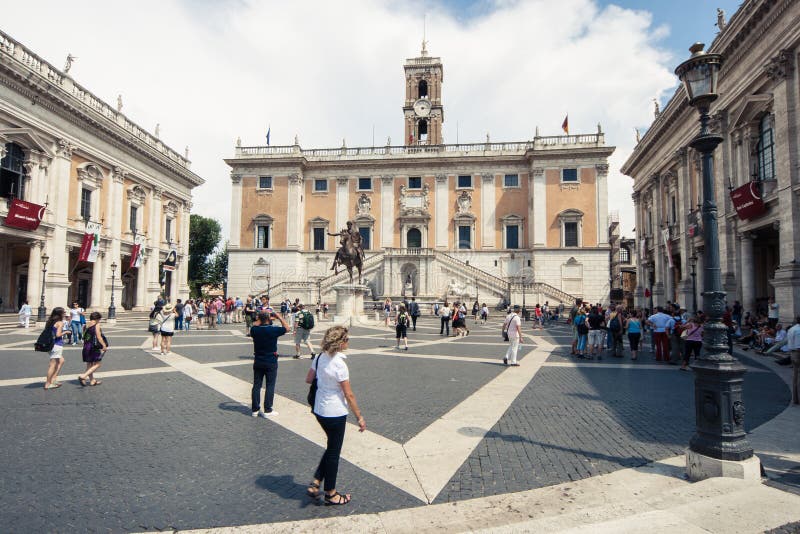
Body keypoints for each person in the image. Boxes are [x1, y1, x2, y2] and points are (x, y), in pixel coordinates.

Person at [305, 326, 366, 505]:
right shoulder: (340, 364)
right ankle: (331, 494)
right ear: (340, 343)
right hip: (335, 412)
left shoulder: (318, 358)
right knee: (334, 452)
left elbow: (309, 379)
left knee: (331, 447)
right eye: (347, 340)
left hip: (319, 410)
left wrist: (324, 380)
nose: (348, 342)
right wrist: (360, 417)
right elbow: (349, 394)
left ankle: (316, 482)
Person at [250, 311, 288, 417]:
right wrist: (279, 317)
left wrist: (261, 318)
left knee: (257, 385)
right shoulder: (273, 330)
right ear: (269, 319)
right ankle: (268, 409)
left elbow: (255, 324)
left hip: (258, 360)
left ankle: (255, 409)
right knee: (270, 385)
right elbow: (287, 328)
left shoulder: (254, 330)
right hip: (271, 360)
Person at [78, 311, 108, 386]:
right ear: (97, 318)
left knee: (89, 364)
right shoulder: (96, 325)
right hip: (93, 347)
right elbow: (99, 337)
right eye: (99, 319)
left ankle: (92, 381)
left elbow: (84, 336)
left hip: (86, 346)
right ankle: (83, 376)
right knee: (98, 364)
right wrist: (104, 345)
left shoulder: (85, 325)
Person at [44, 307, 68, 390]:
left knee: (61, 360)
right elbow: (58, 335)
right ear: (60, 314)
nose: (65, 313)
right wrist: (66, 332)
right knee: (52, 365)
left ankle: (53, 379)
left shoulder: (49, 321)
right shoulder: (60, 323)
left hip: (49, 345)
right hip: (56, 345)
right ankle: (48, 384)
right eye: (64, 312)